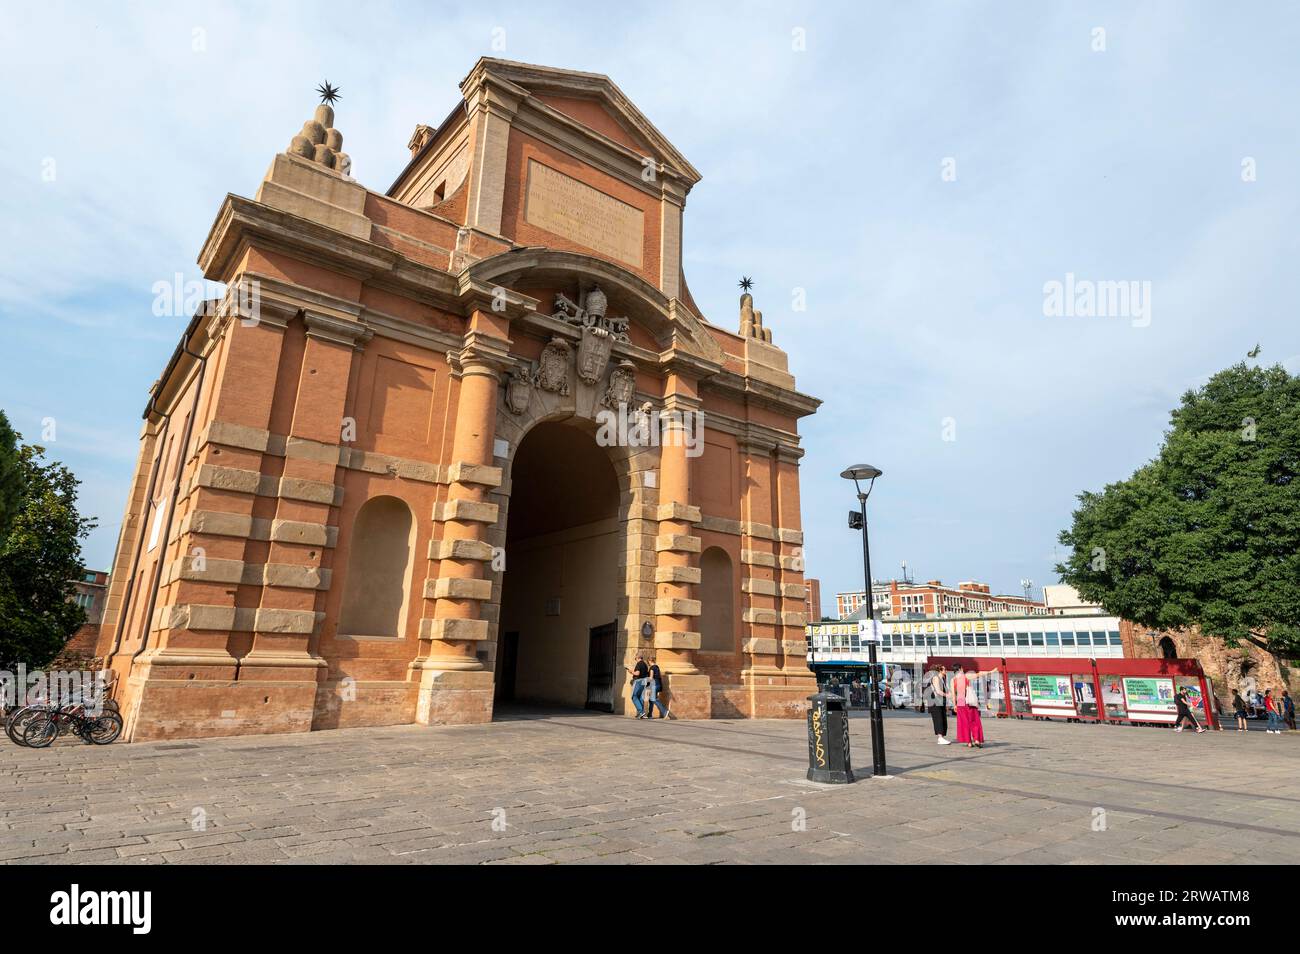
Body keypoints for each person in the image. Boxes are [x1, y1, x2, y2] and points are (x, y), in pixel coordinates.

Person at [954, 664, 998, 748]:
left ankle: (969, 742)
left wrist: (954, 704)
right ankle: (977, 739)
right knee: (974, 720)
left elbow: (954, 693)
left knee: (964, 722)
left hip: (960, 701)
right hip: (969, 701)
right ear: (961, 668)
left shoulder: (953, 679)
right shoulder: (966, 676)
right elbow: (979, 674)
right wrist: (991, 671)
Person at [928, 665, 951, 745]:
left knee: (943, 719)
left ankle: (941, 738)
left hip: (940, 701)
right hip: (935, 701)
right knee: (939, 719)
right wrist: (947, 695)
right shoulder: (936, 678)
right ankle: (940, 738)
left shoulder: (942, 679)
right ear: (940, 670)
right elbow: (938, 691)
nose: (946, 670)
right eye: (945, 669)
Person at [625, 655, 649, 719]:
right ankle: (642, 714)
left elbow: (637, 673)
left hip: (638, 681)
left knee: (634, 696)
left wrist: (631, 672)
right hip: (644, 681)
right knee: (640, 697)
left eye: (635, 659)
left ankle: (641, 712)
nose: (635, 660)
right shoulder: (645, 664)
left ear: (638, 658)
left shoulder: (639, 664)